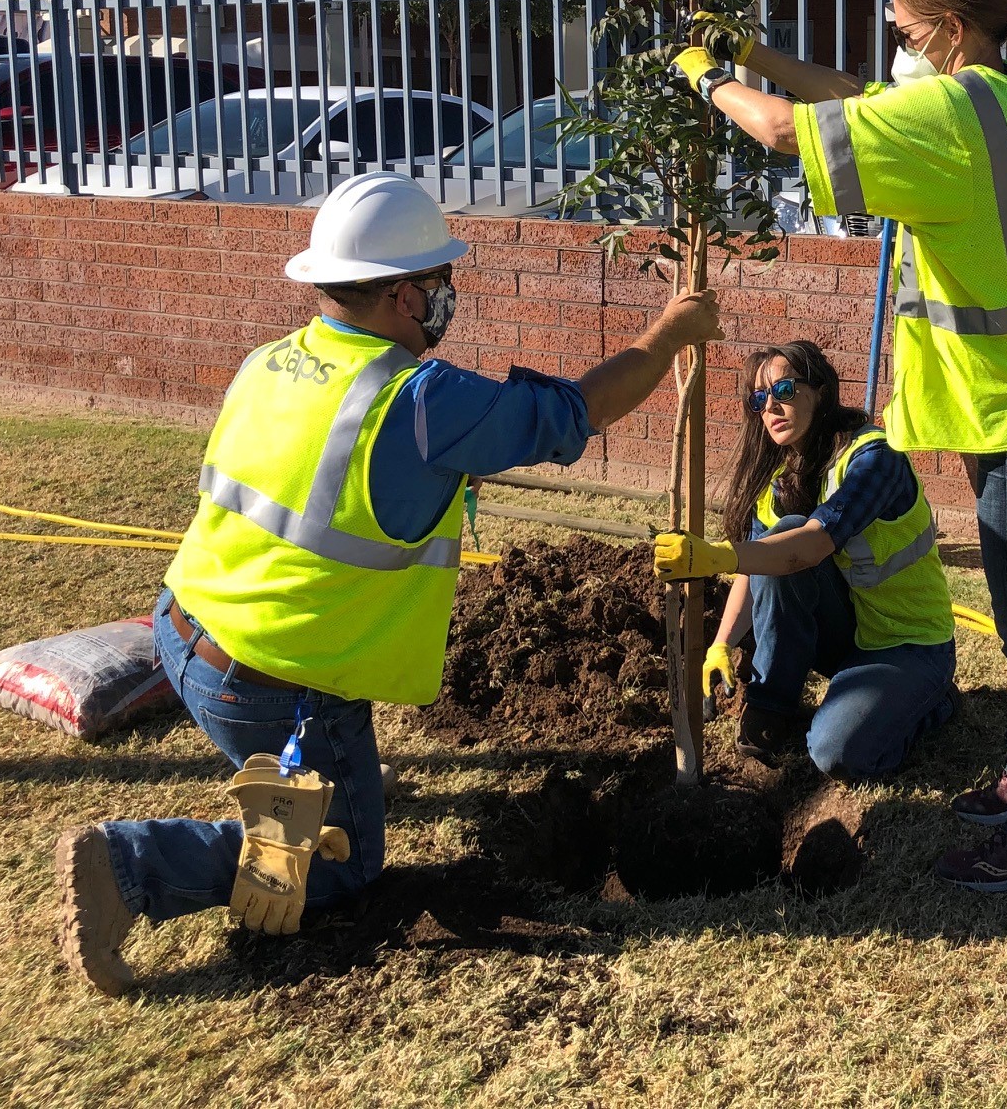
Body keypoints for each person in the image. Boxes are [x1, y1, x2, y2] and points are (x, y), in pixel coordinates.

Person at [53, 172, 723, 994]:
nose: (449, 296)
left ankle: (316, 787)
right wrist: (670, 334)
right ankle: (132, 866)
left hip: (186, 632)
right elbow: (577, 412)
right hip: (278, 682)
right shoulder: (418, 401)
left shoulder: (271, 362)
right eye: (441, 282)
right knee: (344, 864)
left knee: (339, 782)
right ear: (405, 296)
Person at [668, 0, 1007, 892]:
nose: (899, 51)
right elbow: (854, 95)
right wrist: (756, 48)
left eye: (910, 35)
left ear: (951, 32)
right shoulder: (1005, 93)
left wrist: (709, 77)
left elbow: (792, 133)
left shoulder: (953, 114)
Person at [654, 341, 955, 780]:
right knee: (783, 529)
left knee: (836, 754)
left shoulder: (874, 459)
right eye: (759, 400)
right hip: (848, 637)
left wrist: (716, 556)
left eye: (785, 390)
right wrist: (722, 643)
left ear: (821, 391)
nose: (771, 406)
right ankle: (771, 706)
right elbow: (759, 562)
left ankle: (934, 703)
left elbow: (809, 546)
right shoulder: (783, 476)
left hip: (909, 642)